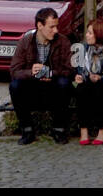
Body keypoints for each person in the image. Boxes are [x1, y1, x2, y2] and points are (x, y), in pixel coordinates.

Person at [9, 7, 73, 144]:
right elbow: (14, 71)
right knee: (15, 86)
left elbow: (69, 70)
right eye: (52, 27)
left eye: (57, 26)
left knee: (64, 83)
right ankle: (27, 130)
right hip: (33, 87)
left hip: (54, 87)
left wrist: (49, 72)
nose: (55, 31)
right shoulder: (25, 42)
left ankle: (59, 129)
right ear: (40, 25)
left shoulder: (63, 42)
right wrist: (31, 72)